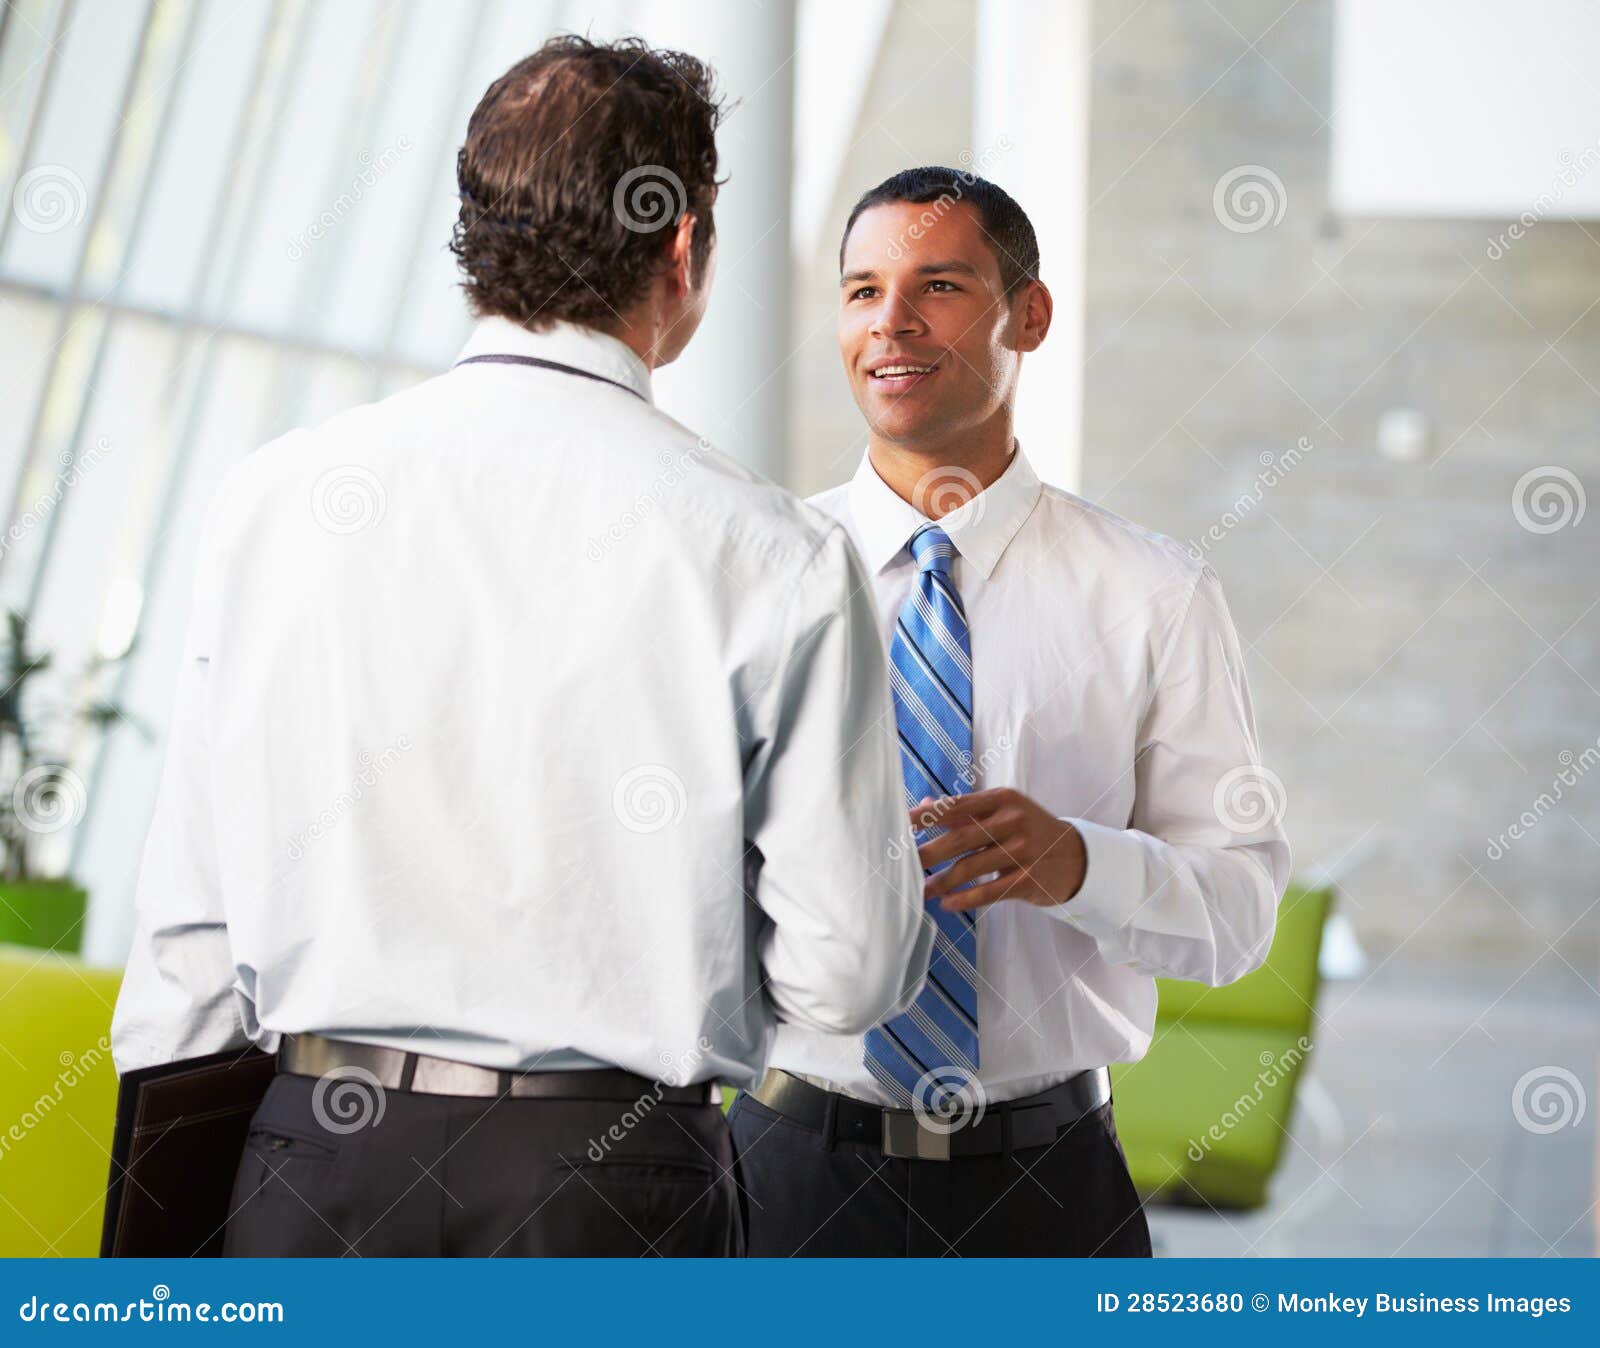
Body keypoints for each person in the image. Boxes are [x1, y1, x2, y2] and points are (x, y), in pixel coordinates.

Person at [109, 37, 931, 1259]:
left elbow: (186, 942)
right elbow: (851, 973)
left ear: (472, 240)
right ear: (682, 246)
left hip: (306, 1168)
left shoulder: (271, 500)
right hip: (607, 1187)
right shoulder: (775, 555)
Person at [727, 167, 1292, 1257]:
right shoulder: (757, 576)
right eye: (860, 290)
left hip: (1045, 1192)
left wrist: (1079, 863)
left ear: (1027, 314)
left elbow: (1239, 914)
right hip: (786, 1176)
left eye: (937, 284)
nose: (889, 322)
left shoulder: (1155, 594)